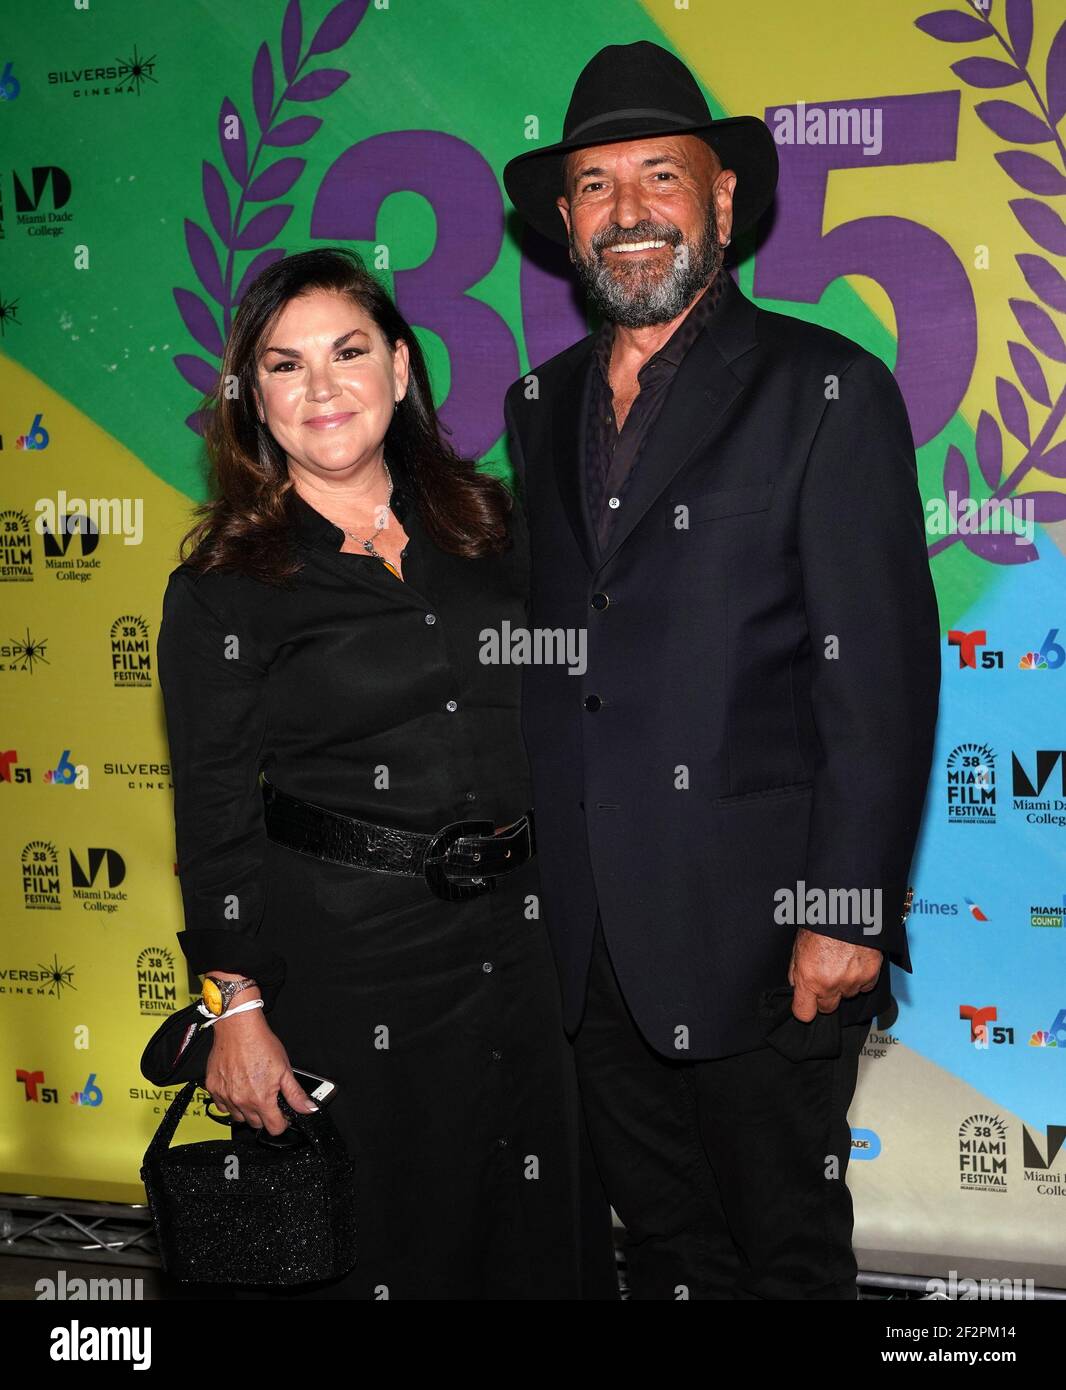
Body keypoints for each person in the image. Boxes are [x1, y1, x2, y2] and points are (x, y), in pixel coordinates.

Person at [501, 41, 941, 1299]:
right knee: (669, 1254)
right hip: (588, 940)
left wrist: (844, 910)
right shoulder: (538, 407)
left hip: (765, 939)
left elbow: (882, 678)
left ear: (725, 202)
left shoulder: (826, 389)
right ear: (565, 223)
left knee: (783, 1256)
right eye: (594, 186)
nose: (627, 212)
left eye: (658, 176)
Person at [156, 247, 616, 1300]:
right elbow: (215, 812)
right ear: (252, 398)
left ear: (401, 371)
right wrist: (236, 1009)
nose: (322, 386)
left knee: (541, 1233)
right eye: (285, 364)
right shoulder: (225, 590)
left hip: (525, 946)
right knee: (388, 1244)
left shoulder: (494, 529)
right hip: (352, 963)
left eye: (349, 351)